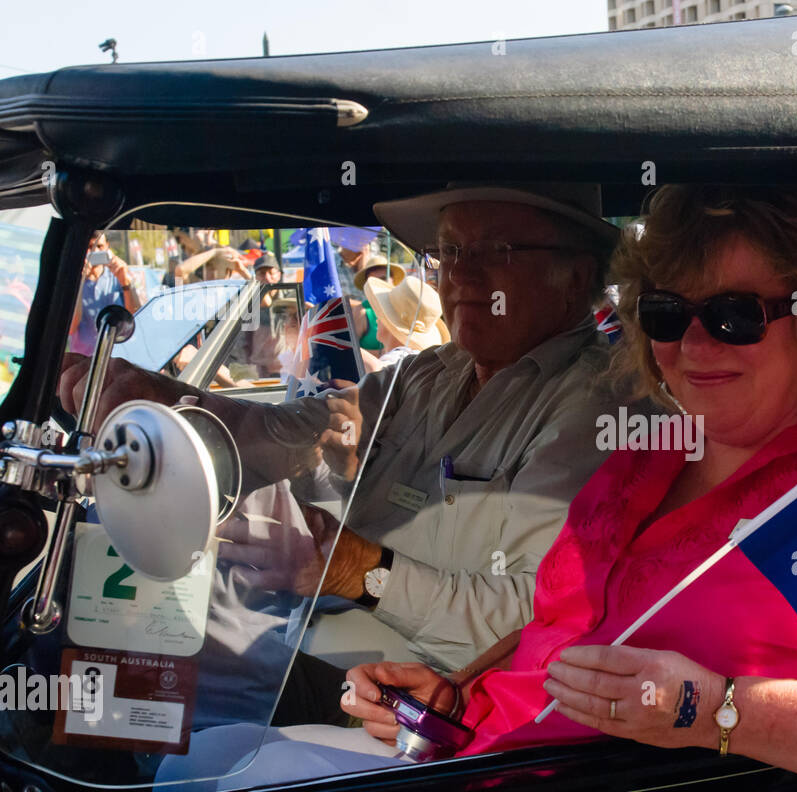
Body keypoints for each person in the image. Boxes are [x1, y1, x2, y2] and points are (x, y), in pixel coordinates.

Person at [167, 184, 797, 792]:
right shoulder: (645, 464)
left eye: (739, 315)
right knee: (195, 757)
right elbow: (555, 631)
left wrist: (718, 713)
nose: (696, 343)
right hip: (467, 766)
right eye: (669, 313)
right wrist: (452, 698)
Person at [59, 183, 631, 689]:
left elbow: (535, 620)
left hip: (411, 695)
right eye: (451, 251)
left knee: (124, 655)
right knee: (95, 607)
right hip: (305, 630)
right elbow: (289, 434)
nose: (461, 274)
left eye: (496, 251)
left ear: (576, 273)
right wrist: (158, 397)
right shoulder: (425, 375)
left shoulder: (598, 406)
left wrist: (357, 569)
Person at [68, 232, 142, 355]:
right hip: (84, 362)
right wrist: (79, 282)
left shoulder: (117, 276)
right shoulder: (73, 282)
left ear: (107, 247)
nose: (95, 251)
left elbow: (137, 318)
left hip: (118, 359)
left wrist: (126, 283)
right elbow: (70, 327)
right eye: (90, 247)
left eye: (99, 246)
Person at [359, 274, 449, 372]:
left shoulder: (405, 355)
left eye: (382, 314)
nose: (377, 319)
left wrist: (348, 349)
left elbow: (378, 371)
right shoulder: (413, 357)